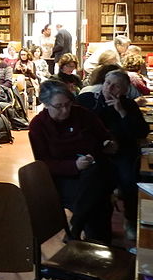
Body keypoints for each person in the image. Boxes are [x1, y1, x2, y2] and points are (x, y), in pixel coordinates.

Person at [29, 80, 116, 245]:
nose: (65, 110)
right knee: (99, 202)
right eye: (59, 106)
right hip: (62, 177)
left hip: (93, 169)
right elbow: (42, 163)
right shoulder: (39, 125)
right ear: (46, 104)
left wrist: (108, 144)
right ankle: (99, 246)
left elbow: (104, 136)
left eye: (68, 104)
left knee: (95, 176)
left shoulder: (83, 114)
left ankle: (77, 229)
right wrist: (74, 166)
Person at [76, 70, 148, 240]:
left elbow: (141, 132)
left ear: (124, 90)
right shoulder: (88, 101)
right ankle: (86, 226)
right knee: (92, 182)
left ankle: (130, 220)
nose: (110, 88)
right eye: (108, 83)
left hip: (122, 152)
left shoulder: (129, 105)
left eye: (116, 86)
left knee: (129, 179)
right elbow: (82, 130)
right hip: (95, 151)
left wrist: (121, 112)